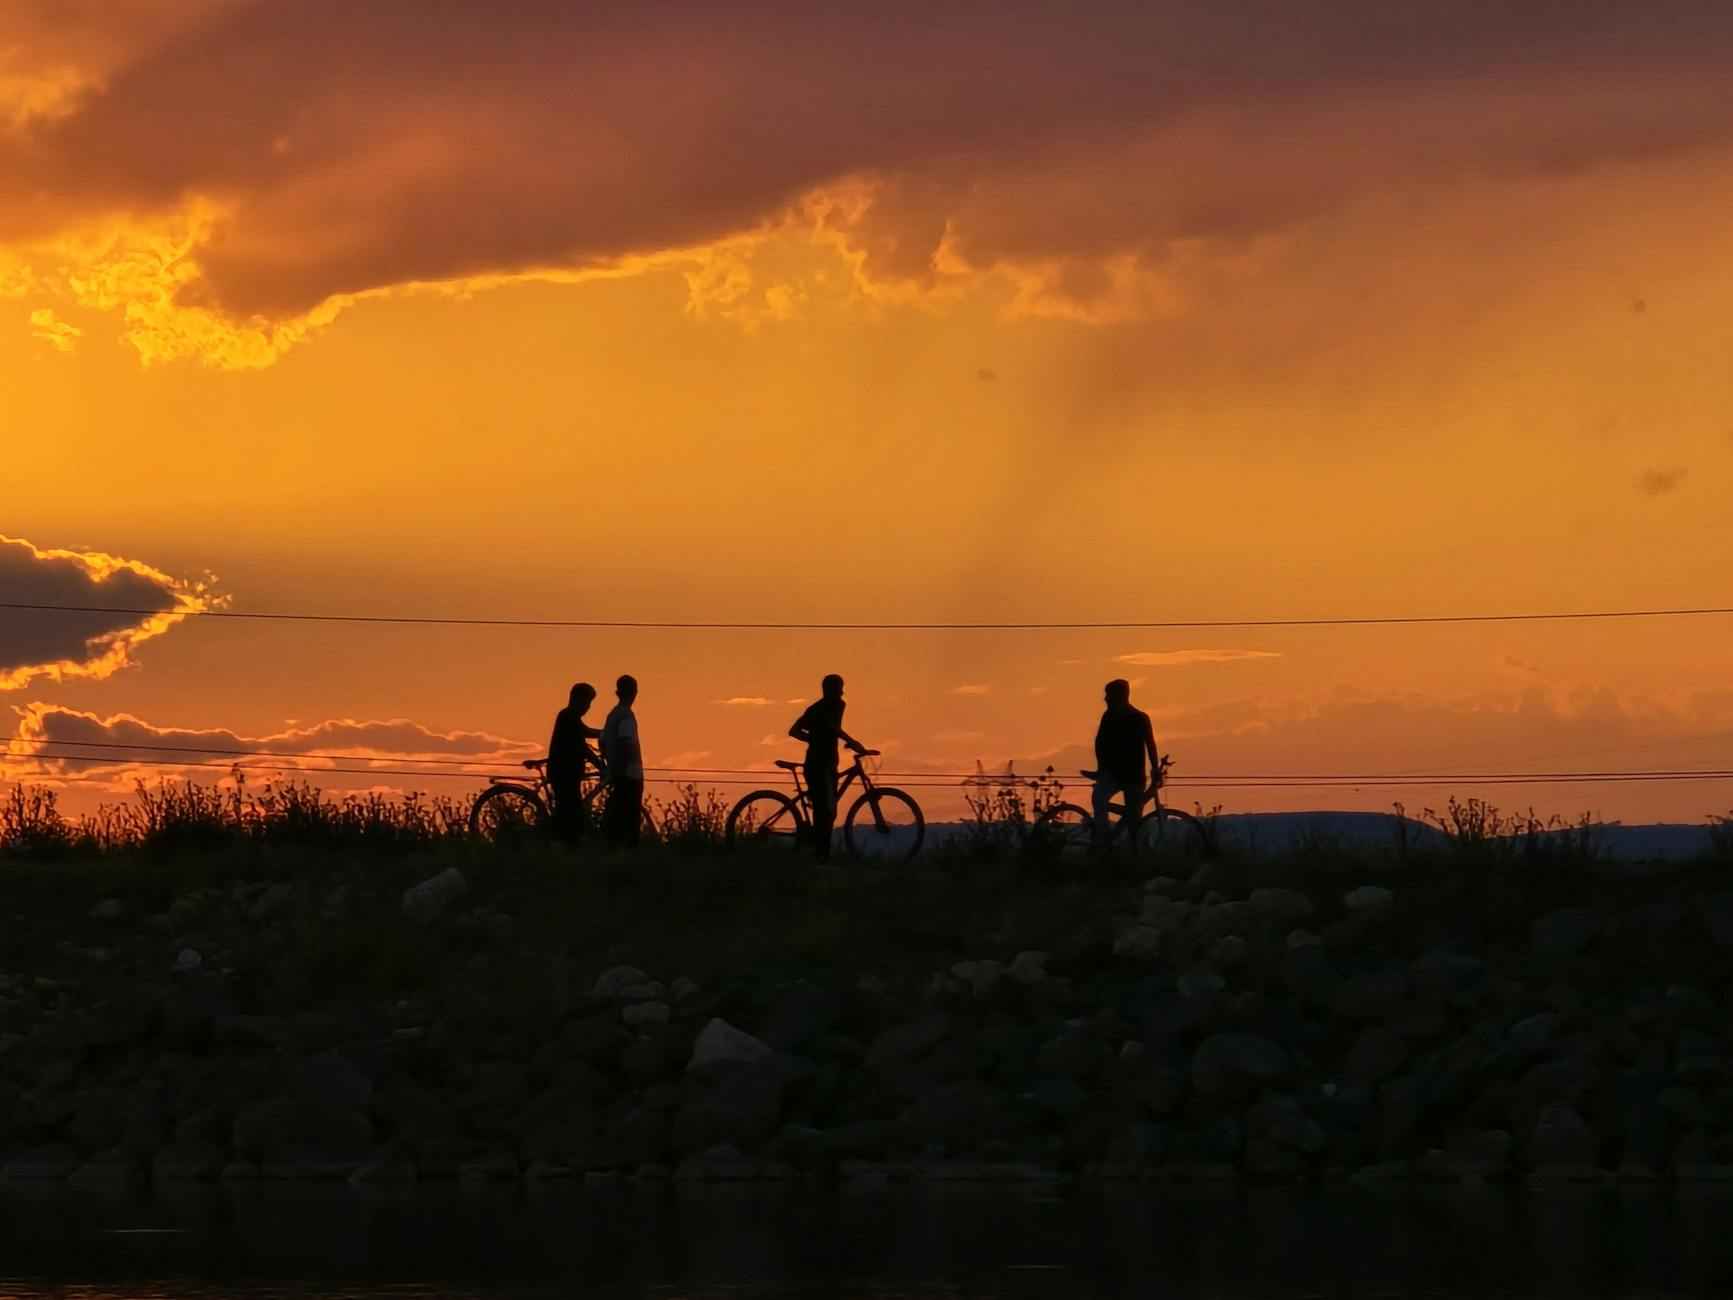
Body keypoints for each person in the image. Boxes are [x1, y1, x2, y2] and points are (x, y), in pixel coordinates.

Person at [788, 673, 866, 861]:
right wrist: (850, 742)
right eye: (839, 688)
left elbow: (829, 729)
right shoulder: (824, 707)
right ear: (829, 690)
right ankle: (821, 854)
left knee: (828, 810)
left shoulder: (828, 707)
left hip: (828, 762)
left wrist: (816, 738)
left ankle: (822, 852)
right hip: (818, 764)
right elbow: (828, 728)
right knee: (825, 809)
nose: (842, 692)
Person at [1092, 678, 1160, 854]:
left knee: (1132, 821)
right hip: (1119, 775)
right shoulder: (1112, 717)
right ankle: (1103, 842)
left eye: (1108, 695)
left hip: (1130, 777)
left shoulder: (1138, 718)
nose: (1105, 699)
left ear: (1119, 696)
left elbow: (1150, 745)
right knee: (1103, 802)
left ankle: (1120, 851)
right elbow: (1099, 743)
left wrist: (1155, 768)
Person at [546, 682, 601, 843]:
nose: (588, 707)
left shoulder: (570, 716)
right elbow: (582, 747)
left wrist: (605, 733)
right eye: (587, 702)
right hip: (564, 773)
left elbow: (587, 732)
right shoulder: (568, 717)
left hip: (567, 773)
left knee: (569, 810)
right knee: (571, 811)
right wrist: (600, 764)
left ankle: (564, 842)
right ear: (576, 699)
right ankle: (565, 844)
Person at [600, 674, 644, 848]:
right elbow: (627, 744)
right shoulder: (626, 716)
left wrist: (609, 763)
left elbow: (602, 740)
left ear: (617, 692)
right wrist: (631, 770)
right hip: (630, 772)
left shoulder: (612, 715)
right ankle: (629, 850)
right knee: (631, 813)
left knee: (617, 811)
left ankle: (613, 845)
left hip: (616, 770)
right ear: (635, 692)